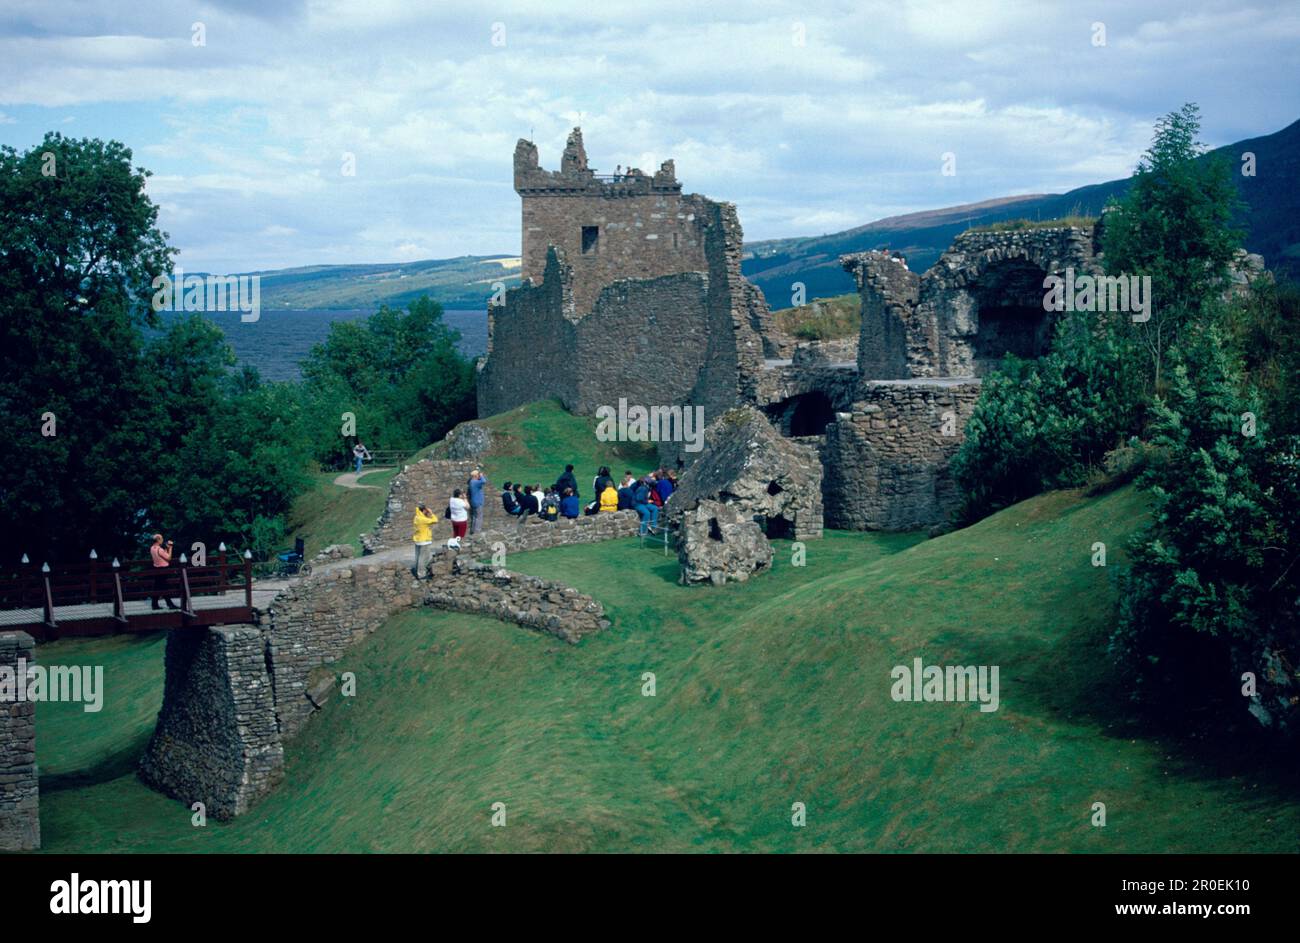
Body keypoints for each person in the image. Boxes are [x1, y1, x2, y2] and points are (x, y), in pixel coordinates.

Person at [149, 533, 178, 610]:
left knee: (157, 587)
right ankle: (170, 604)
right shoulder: (159, 549)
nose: (162, 540)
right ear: (158, 539)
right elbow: (168, 558)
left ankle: (155, 604)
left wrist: (166, 549)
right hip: (163, 570)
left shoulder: (152, 548)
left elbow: (161, 555)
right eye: (161, 538)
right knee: (164, 587)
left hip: (156, 569)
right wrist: (170, 548)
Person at [412, 504, 438, 579]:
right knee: (423, 558)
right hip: (424, 541)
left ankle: (417, 571)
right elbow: (435, 520)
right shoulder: (422, 519)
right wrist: (431, 513)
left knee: (418, 557)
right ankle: (421, 574)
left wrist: (426, 513)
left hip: (418, 540)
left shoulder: (417, 517)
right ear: (423, 510)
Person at [467, 470, 488, 535]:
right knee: (479, 517)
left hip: (474, 501)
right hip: (478, 502)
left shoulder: (471, 482)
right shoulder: (475, 482)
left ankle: (473, 531)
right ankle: (477, 532)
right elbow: (484, 481)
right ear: (476, 476)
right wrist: (481, 476)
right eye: (478, 475)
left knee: (474, 517)